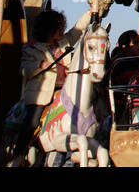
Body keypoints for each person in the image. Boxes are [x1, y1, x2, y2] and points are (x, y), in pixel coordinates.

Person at [18, 9, 93, 153]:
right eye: (58, 31)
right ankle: (20, 150)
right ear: (49, 30)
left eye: (61, 30)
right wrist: (39, 66)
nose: (61, 33)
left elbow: (77, 29)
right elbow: (24, 69)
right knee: (32, 121)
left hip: (62, 91)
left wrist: (90, 13)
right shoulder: (31, 49)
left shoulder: (63, 43)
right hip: (41, 95)